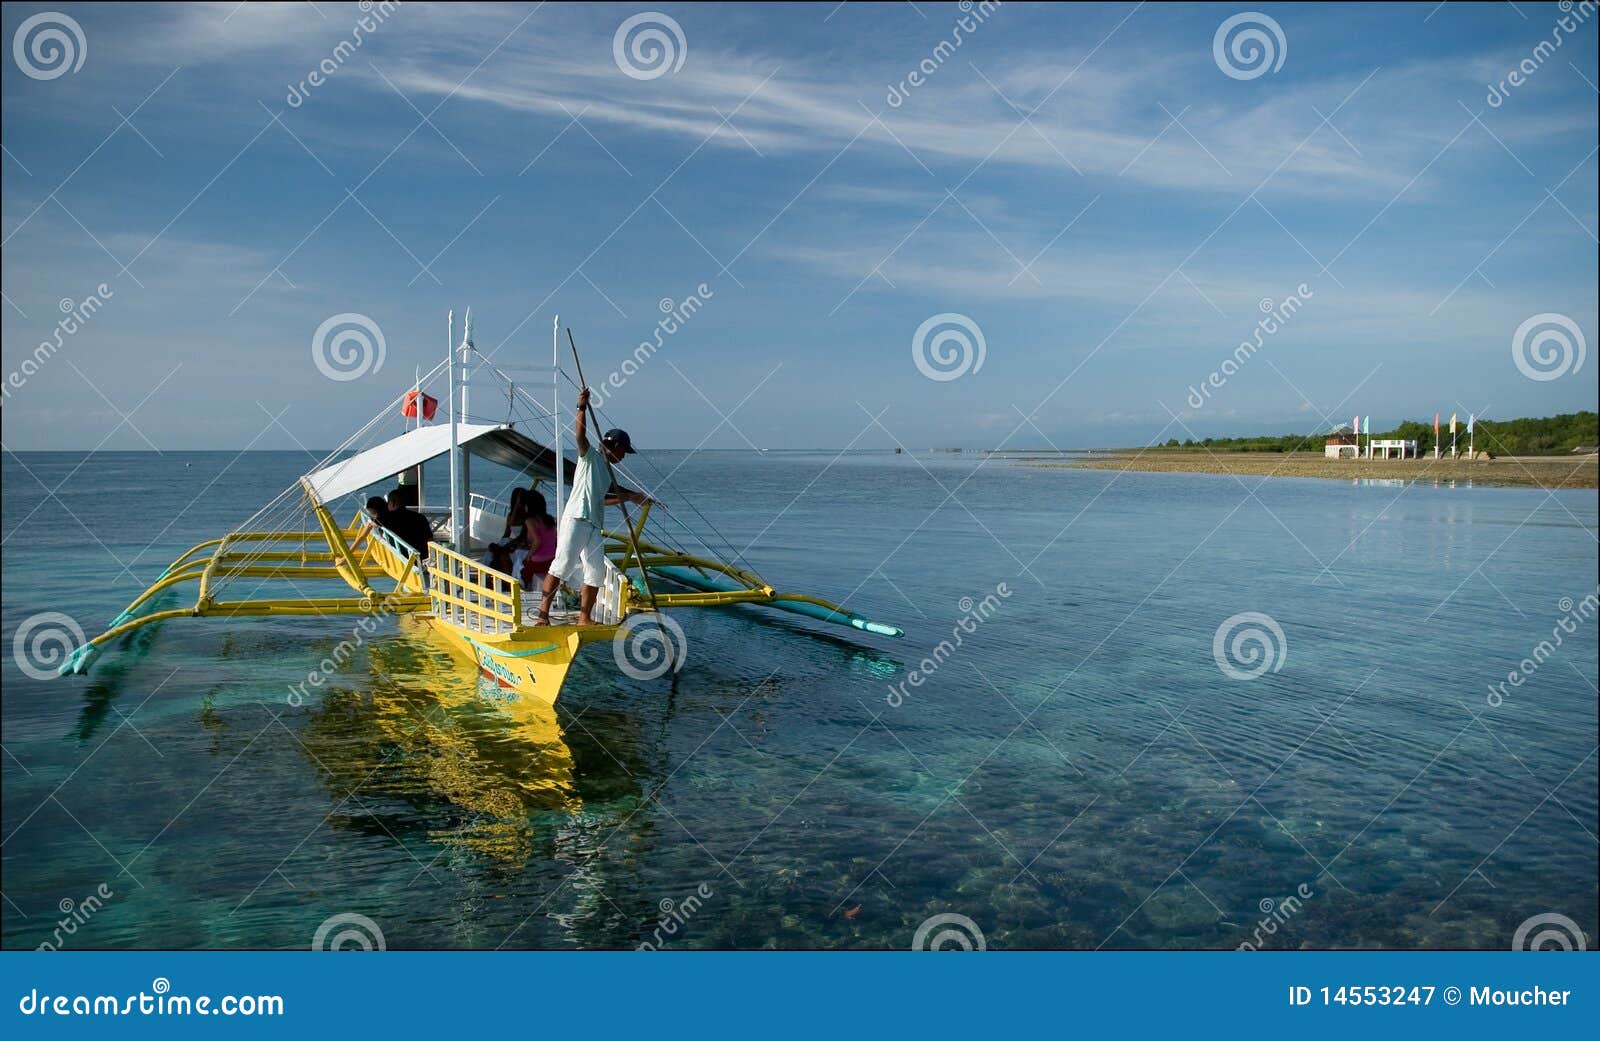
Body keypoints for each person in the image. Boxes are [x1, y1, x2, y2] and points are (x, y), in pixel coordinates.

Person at [536, 387, 653, 625]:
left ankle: (584, 618)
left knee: (596, 572)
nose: (624, 457)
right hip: (576, 519)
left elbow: (602, 499)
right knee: (563, 565)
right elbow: (579, 436)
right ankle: (542, 615)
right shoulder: (590, 457)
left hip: (592, 524)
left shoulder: (607, 472)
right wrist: (581, 406)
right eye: (624, 451)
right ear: (615, 446)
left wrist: (630, 497)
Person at [519, 490, 558, 591]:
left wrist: (529, 555)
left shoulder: (530, 521)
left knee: (520, 562)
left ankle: (523, 586)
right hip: (551, 559)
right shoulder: (551, 519)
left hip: (539, 562)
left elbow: (537, 541)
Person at [384, 488, 435, 559]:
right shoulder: (420, 517)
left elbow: (375, 520)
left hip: (400, 558)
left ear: (392, 503)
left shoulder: (389, 518)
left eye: (388, 503)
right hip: (421, 558)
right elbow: (430, 539)